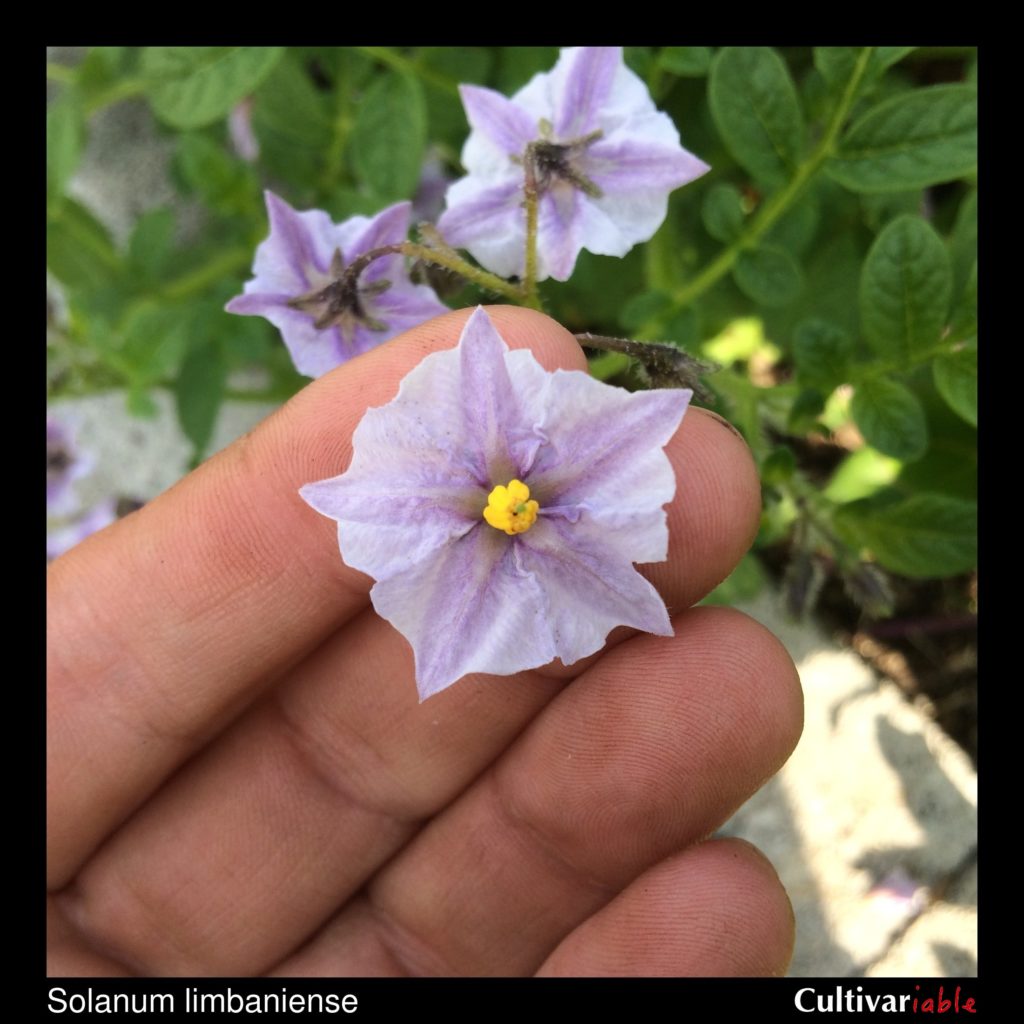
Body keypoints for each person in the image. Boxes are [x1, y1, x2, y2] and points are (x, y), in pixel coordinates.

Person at [47, 306, 803, 977]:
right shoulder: (471, 476)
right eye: (514, 504)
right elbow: (382, 493)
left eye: (515, 507)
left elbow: (611, 444)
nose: (514, 506)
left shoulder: (520, 458)